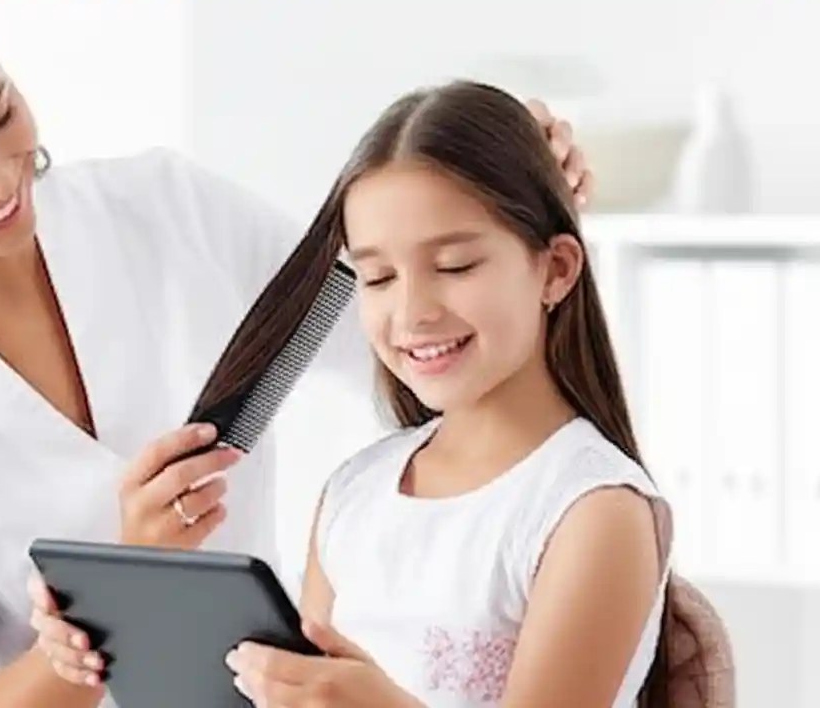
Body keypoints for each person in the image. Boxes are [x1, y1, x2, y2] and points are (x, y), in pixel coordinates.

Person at [0, 0, 592, 706]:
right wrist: (119, 587)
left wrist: (505, 209)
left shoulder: (166, 208)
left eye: (1, 116)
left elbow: (416, 345)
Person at [41, 82, 674, 707]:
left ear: (556, 269)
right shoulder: (355, 494)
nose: (412, 312)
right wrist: (110, 630)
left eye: (454, 266)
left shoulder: (591, 513)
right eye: (377, 277)